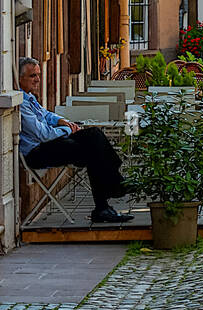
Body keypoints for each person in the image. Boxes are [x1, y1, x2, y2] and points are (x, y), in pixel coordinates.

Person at [17, 57, 132, 225]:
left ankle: (110, 194)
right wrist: (67, 129)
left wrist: (61, 120)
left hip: (49, 144)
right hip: (37, 152)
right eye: (32, 76)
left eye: (38, 75)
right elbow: (43, 134)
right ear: (19, 79)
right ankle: (111, 193)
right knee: (93, 151)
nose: (38, 80)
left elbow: (47, 115)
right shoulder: (21, 103)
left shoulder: (29, 98)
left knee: (94, 134)